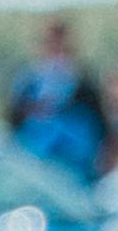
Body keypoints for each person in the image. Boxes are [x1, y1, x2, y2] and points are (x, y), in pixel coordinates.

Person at [6, 18, 109, 187]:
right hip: (36, 165)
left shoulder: (83, 82)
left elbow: (99, 123)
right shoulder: (27, 82)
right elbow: (13, 122)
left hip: (76, 166)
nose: (55, 47)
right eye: (50, 42)